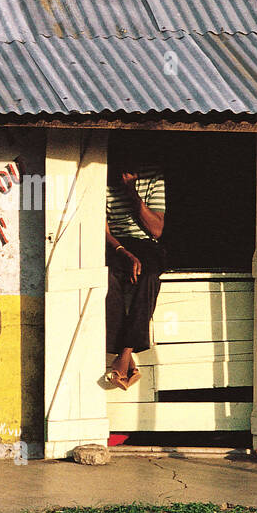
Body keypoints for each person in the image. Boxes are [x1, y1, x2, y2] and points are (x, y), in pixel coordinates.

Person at [104, 152, 167, 389]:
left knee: (150, 277)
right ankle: (126, 361)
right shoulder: (102, 172)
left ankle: (125, 354)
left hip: (146, 243)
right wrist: (123, 252)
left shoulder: (153, 174)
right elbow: (104, 230)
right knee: (107, 280)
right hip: (115, 244)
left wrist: (132, 192)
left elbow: (156, 230)